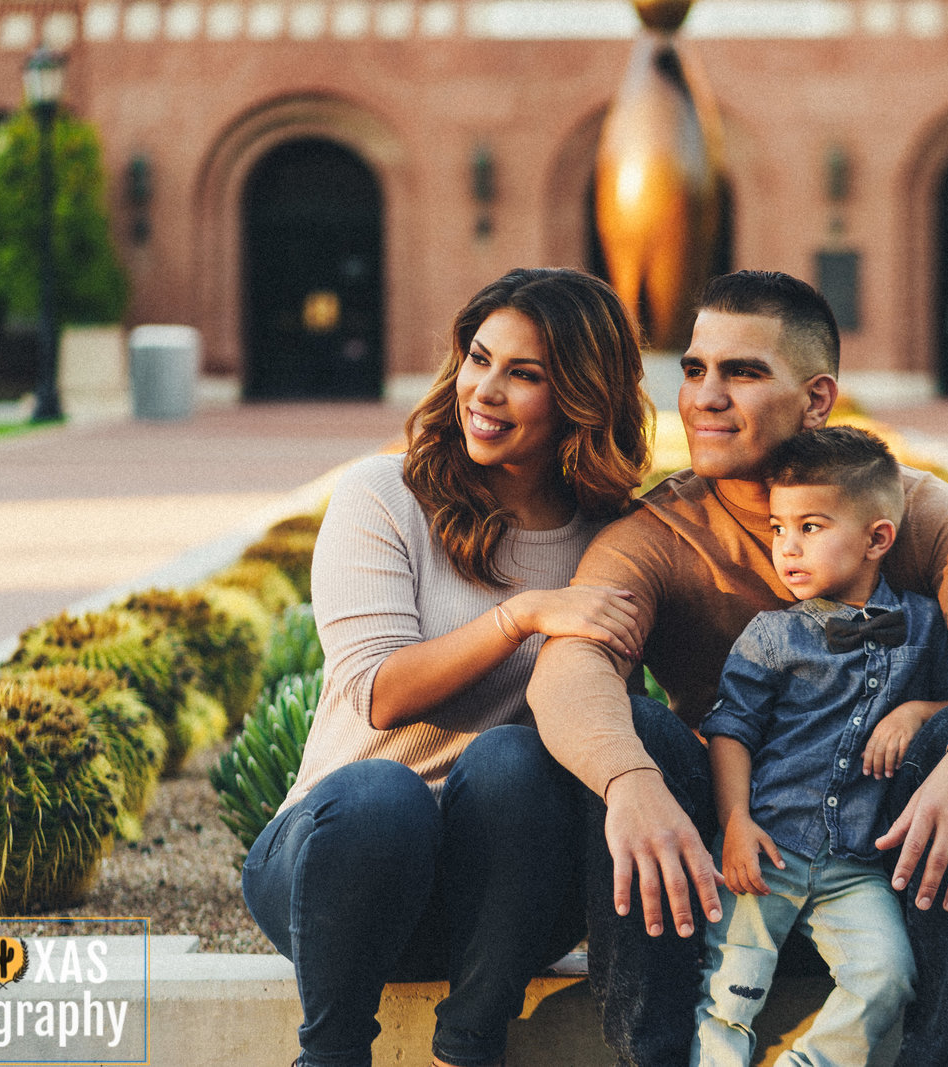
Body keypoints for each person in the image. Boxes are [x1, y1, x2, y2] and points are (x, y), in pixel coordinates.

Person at [527, 269, 948, 1066]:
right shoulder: (658, 534)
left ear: (817, 399)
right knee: (632, 732)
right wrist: (627, 780)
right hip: (725, 868)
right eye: (695, 369)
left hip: (885, 870)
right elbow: (567, 669)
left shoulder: (913, 515)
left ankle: (941, 1056)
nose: (705, 396)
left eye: (742, 372)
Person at [241, 267, 651, 1067]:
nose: (485, 390)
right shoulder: (382, 495)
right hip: (343, 870)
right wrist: (521, 614)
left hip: (500, 897)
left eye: (524, 374)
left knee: (518, 757)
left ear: (582, 396)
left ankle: (472, 1045)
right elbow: (381, 693)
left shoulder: (612, 537)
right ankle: (330, 1056)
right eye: (478, 357)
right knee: (379, 792)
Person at [694, 426, 948, 1066]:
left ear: (877, 539)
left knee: (888, 974)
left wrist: (919, 712)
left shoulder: (925, 624)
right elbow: (730, 729)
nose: (787, 548)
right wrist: (735, 823)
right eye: (777, 529)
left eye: (810, 528)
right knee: (731, 989)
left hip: (857, 863)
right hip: (769, 848)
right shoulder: (772, 636)